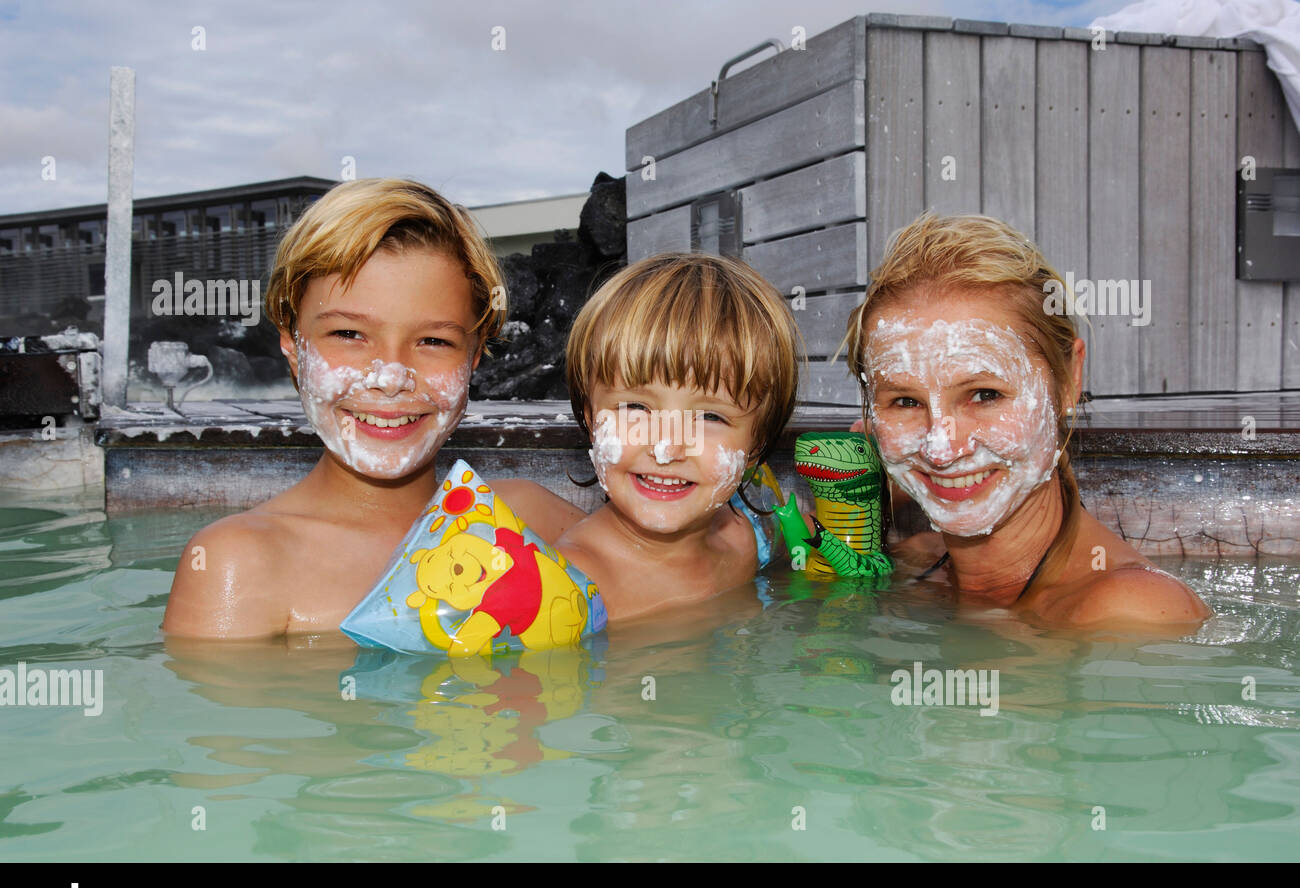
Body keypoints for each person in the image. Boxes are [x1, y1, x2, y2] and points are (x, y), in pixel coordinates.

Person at [163, 178, 584, 639]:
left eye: (433, 341)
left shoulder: (534, 521)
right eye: (348, 334)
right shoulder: (239, 563)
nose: (390, 377)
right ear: (292, 344)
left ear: (474, 356)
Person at [844, 212, 1210, 632]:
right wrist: (867, 503)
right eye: (905, 401)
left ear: (1068, 379)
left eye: (985, 395)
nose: (941, 449)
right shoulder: (915, 564)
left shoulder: (1132, 609)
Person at [557, 253, 800, 621]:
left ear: (756, 444)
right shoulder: (572, 585)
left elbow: (802, 533)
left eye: (708, 416)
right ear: (591, 419)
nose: (667, 447)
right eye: (636, 408)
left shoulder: (744, 540)